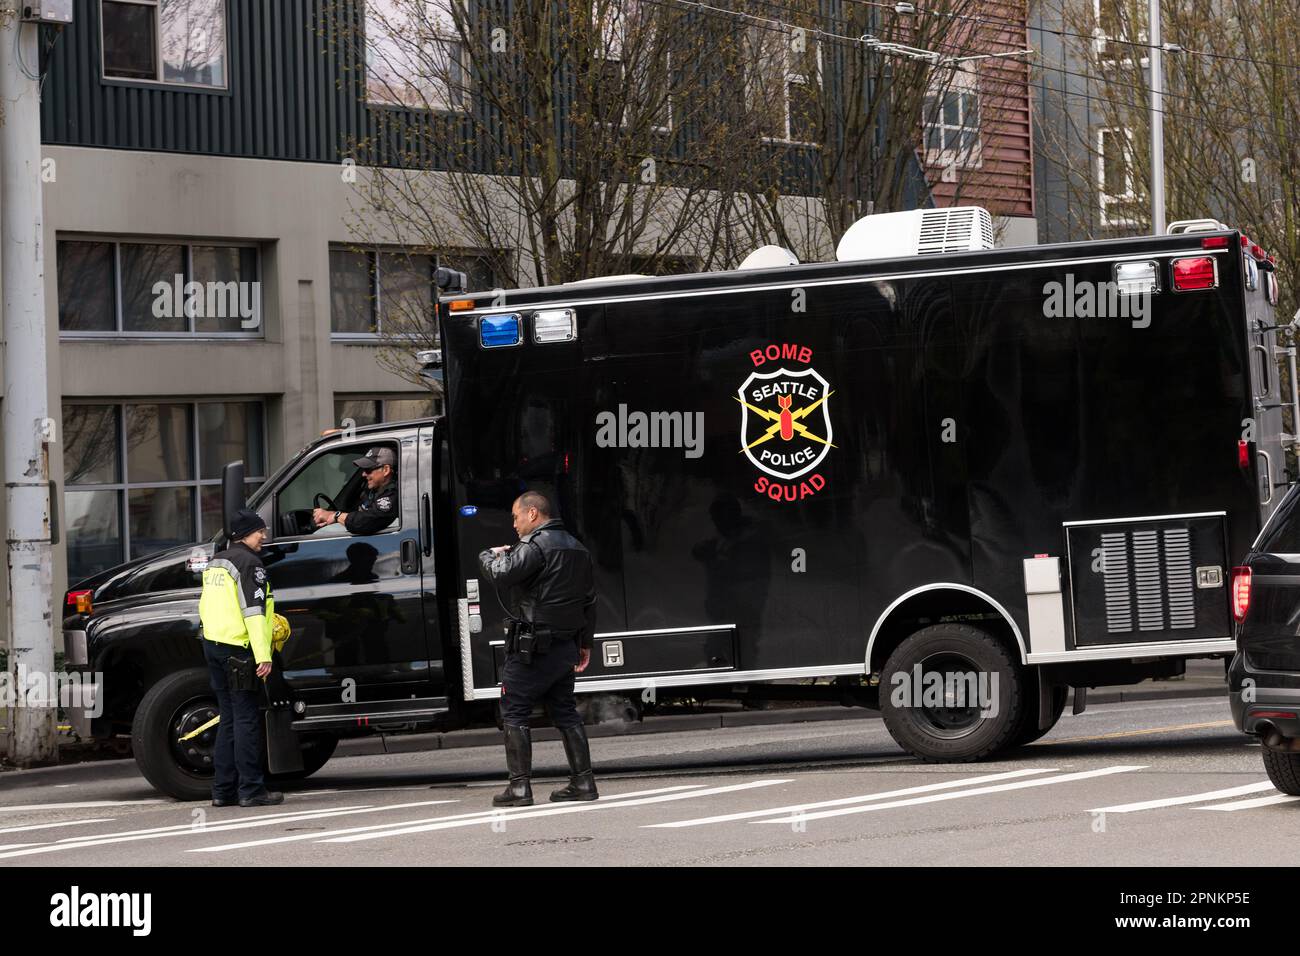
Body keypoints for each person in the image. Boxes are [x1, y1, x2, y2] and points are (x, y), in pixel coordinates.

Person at [479, 491, 598, 807]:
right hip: (565, 647)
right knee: (565, 712)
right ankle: (583, 782)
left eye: (516, 517)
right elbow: (589, 602)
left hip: (532, 647)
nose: (515, 526)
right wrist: (585, 644)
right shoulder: (578, 548)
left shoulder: (535, 546)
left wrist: (489, 556)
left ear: (532, 513)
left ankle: (519, 789)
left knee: (514, 709)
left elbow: (503, 575)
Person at [198, 508, 283, 807]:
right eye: (260, 530)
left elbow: (207, 606)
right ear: (245, 534)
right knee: (246, 718)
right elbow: (254, 612)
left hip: (214, 644)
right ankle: (251, 790)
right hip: (240, 648)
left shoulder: (217, 561)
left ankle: (223, 791)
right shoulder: (250, 564)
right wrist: (264, 655)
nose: (264, 535)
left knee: (229, 718)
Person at [311, 446, 398, 534]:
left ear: (386, 470)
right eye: (363, 470)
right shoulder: (372, 491)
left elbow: (365, 522)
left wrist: (337, 516)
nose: (363, 474)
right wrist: (331, 516)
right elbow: (357, 514)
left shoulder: (393, 496)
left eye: (368, 470)